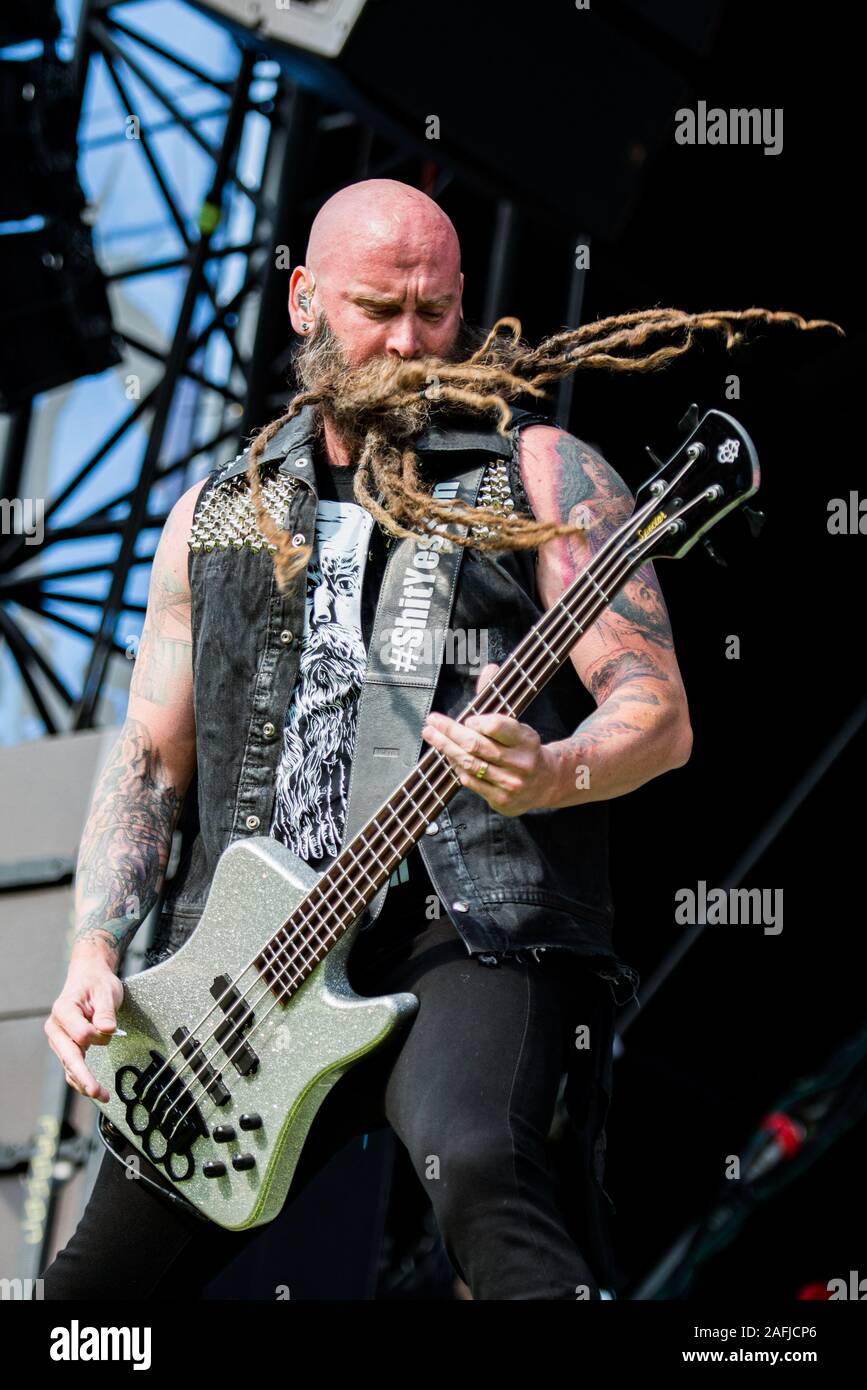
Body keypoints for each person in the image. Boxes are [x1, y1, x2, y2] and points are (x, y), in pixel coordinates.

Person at [40, 178, 695, 1301]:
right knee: (87, 1305)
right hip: (249, 968)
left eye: (433, 313)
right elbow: (152, 758)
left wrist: (552, 771)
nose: (407, 343)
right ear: (301, 300)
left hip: (468, 925)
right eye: (374, 309)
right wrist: (94, 949)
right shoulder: (214, 516)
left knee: (482, 1159)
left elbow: (658, 712)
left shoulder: (538, 472)